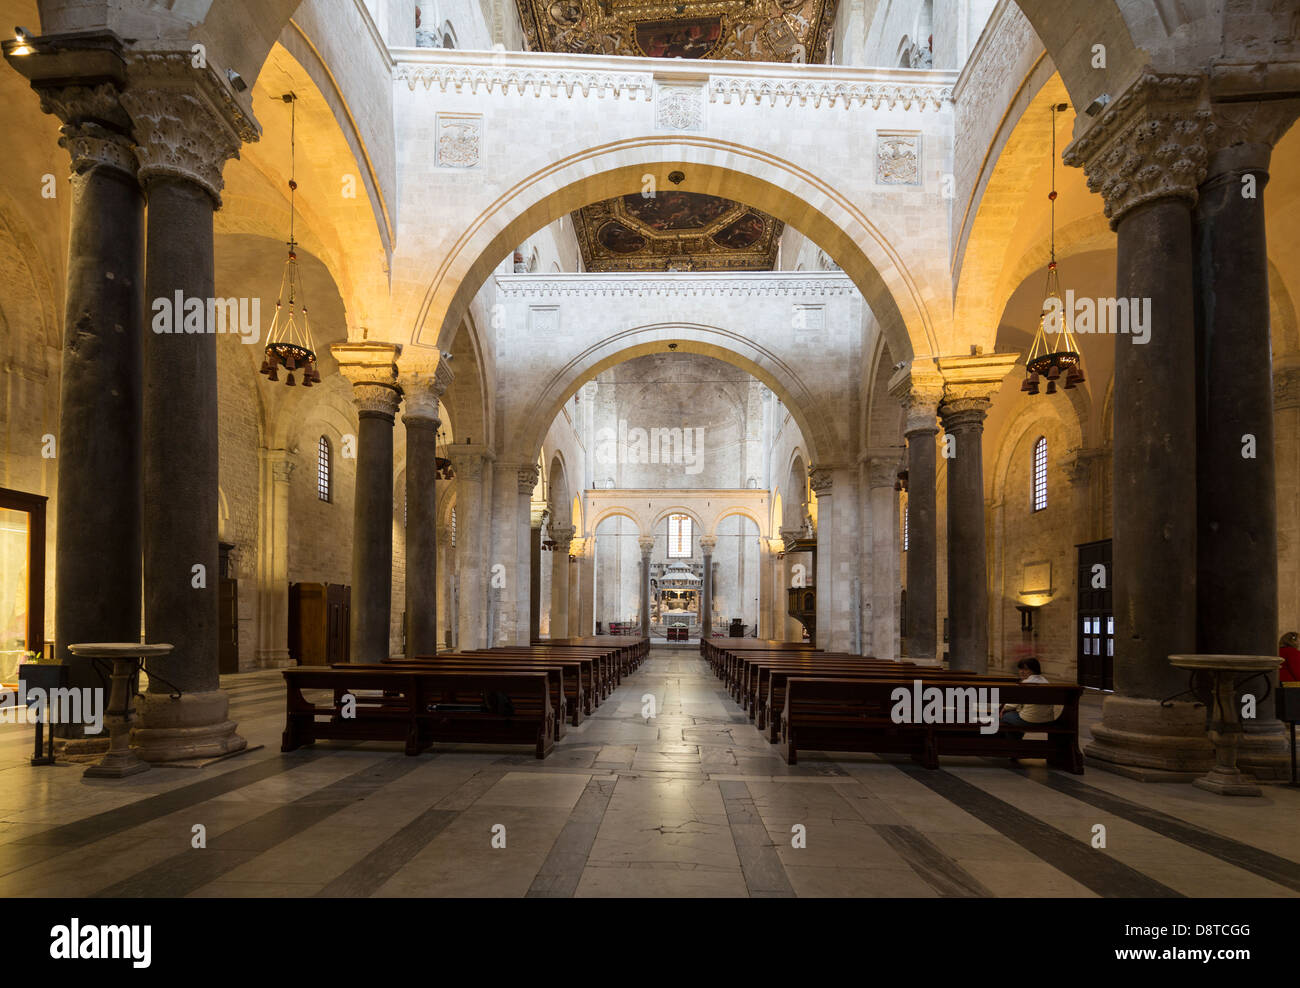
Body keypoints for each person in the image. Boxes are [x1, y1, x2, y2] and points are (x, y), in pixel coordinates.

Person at [1001, 657, 1061, 740]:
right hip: (1047, 720)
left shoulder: (1026, 683)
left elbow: (1012, 703)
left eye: (1026, 669)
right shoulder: (1046, 682)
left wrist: (1003, 709)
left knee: (1006, 716)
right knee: (1014, 716)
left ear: (1034, 670)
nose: (1021, 672)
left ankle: (1012, 745)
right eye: (1020, 669)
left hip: (1029, 721)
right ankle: (1014, 744)